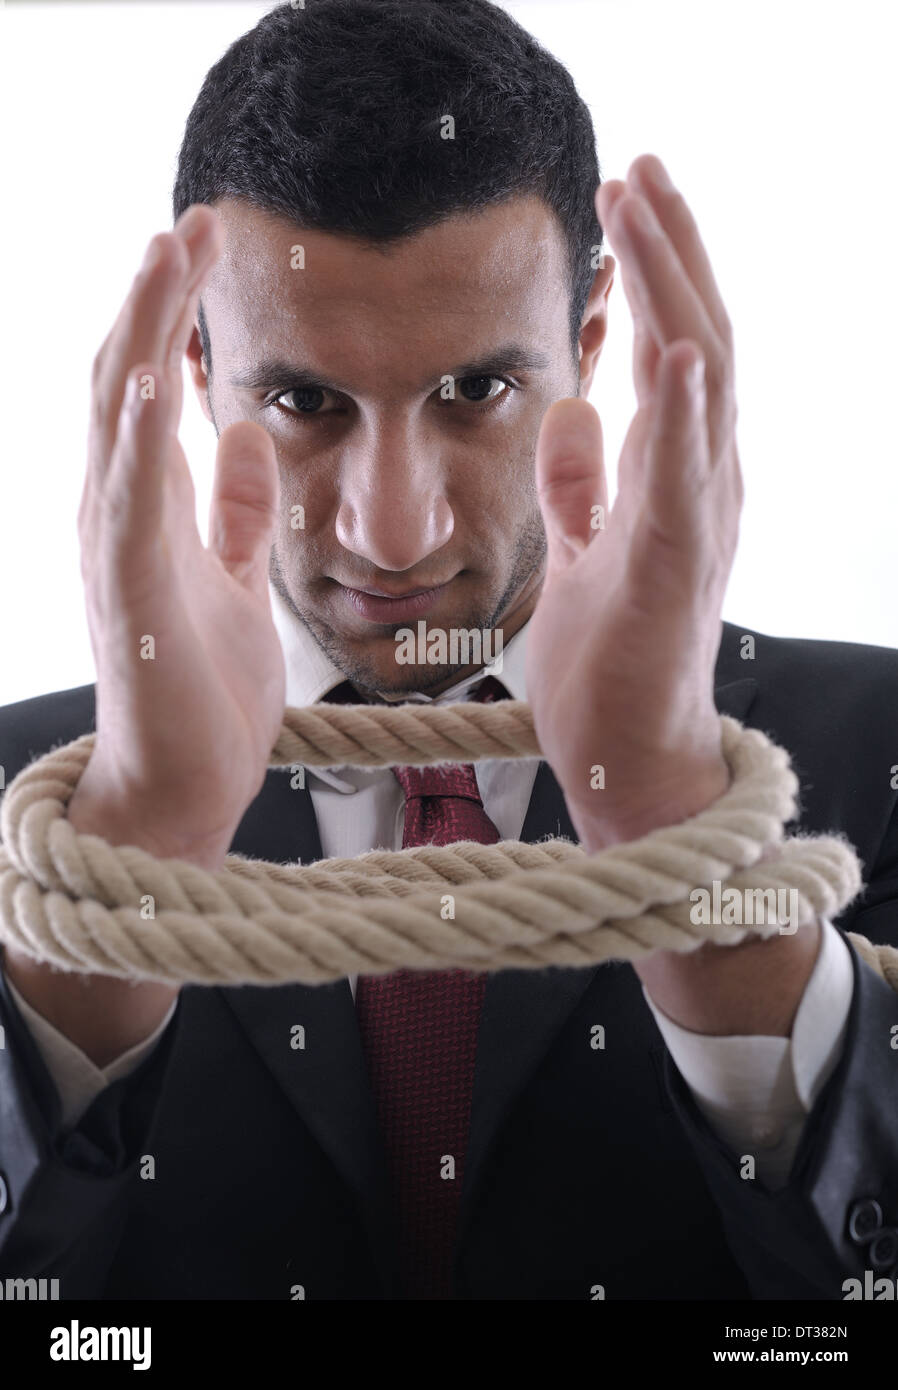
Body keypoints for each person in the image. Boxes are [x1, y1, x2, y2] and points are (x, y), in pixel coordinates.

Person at [0, 0, 896, 1301]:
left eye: (475, 392)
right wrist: (125, 870)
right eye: (305, 400)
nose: (394, 524)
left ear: (589, 346)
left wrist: (676, 828)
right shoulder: (28, 813)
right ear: (197, 365)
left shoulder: (871, 758)